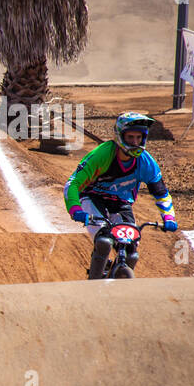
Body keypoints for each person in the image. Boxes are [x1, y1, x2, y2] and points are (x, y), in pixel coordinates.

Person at [64, 112, 178, 279]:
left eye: (139, 137)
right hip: (93, 197)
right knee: (104, 241)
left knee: (131, 251)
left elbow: (161, 193)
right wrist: (75, 209)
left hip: (121, 203)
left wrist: (169, 218)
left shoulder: (146, 162)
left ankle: (120, 279)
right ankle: (93, 282)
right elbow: (72, 184)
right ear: (120, 136)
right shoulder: (102, 154)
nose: (135, 142)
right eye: (130, 137)